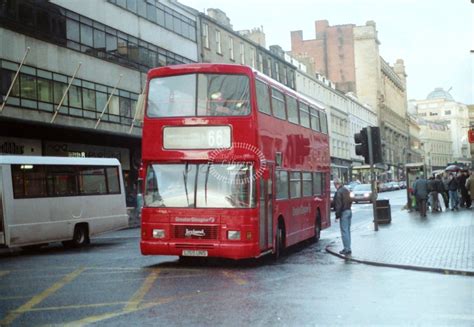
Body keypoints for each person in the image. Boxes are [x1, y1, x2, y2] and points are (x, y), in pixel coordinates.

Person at [334, 178, 352, 255]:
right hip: (349, 211)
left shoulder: (339, 192)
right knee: (347, 230)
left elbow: (338, 205)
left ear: (336, 184)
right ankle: (348, 247)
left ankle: (346, 249)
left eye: (334, 184)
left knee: (344, 231)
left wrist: (337, 216)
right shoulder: (346, 190)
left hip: (344, 213)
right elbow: (351, 200)